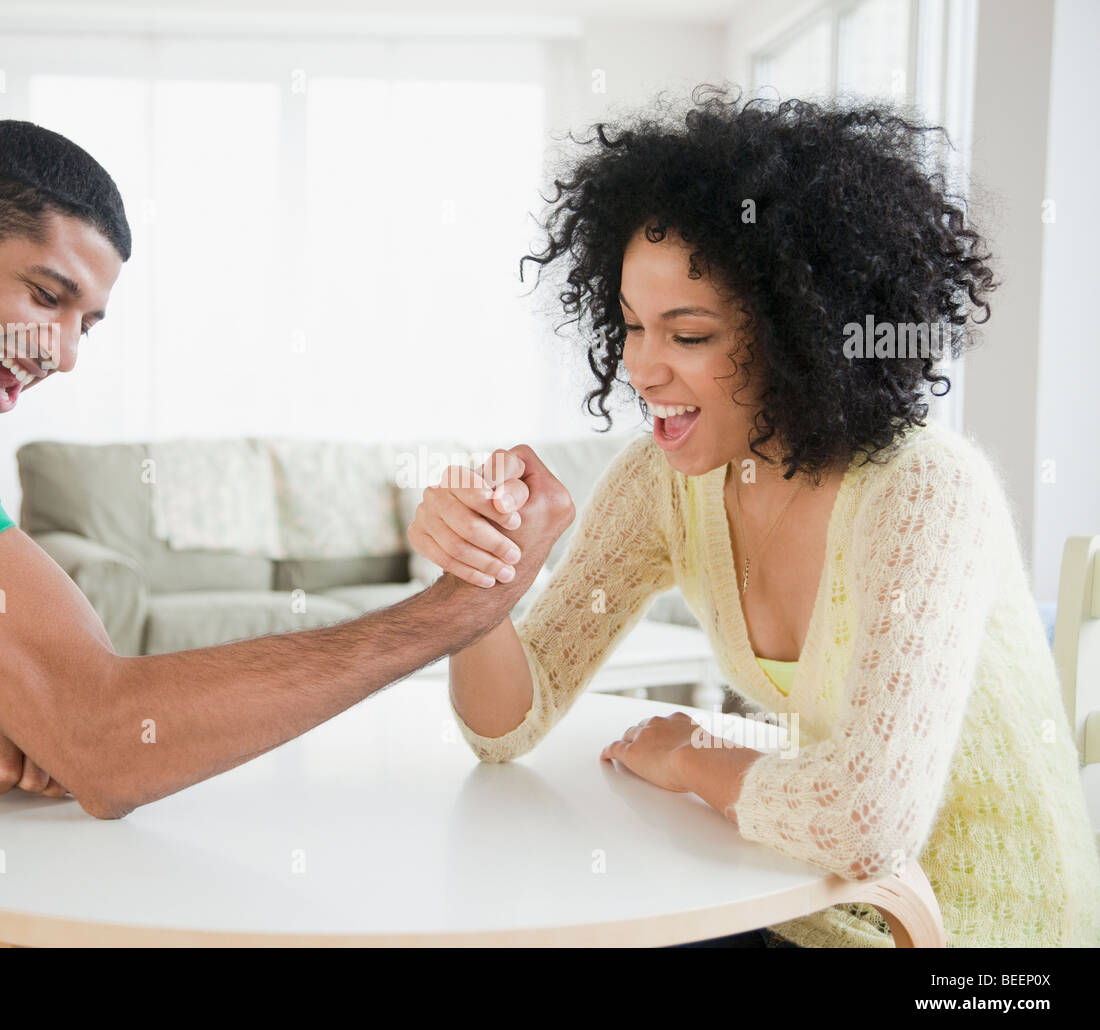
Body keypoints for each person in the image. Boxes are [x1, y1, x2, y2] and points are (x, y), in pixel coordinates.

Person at [407, 87, 1100, 948]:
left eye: (687, 335)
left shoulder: (925, 489)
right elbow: (507, 728)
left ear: (797, 333)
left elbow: (867, 820)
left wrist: (697, 760)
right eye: (630, 326)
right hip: (807, 906)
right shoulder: (665, 482)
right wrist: (481, 575)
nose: (644, 369)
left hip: (980, 948)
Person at [0, 119, 575, 819]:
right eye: (46, 296)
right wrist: (454, 613)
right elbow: (105, 736)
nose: (63, 356)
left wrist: (22, 704)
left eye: (87, 328)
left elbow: (62, 702)